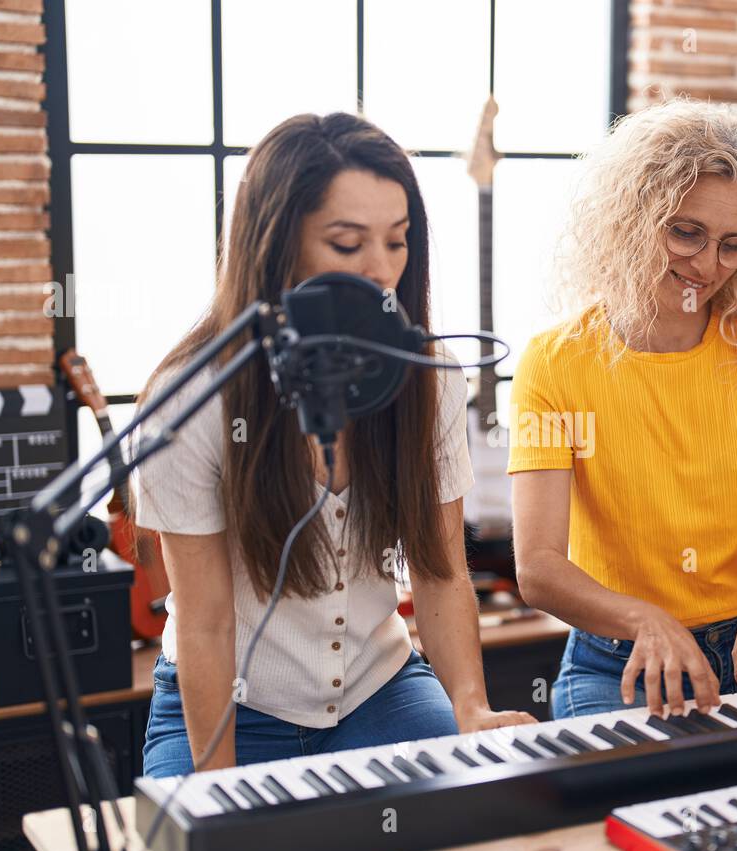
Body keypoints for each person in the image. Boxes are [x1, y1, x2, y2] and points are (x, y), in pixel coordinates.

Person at [137, 113, 533, 779]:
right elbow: (204, 625)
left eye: (399, 241)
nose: (381, 270)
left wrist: (471, 707)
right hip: (228, 709)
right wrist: (219, 787)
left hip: (384, 694)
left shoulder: (428, 381)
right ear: (275, 248)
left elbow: (440, 572)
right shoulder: (188, 397)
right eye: (347, 244)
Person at [509, 99, 737, 720]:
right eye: (685, 232)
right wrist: (645, 620)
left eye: (732, 245)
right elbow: (540, 567)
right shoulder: (555, 362)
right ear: (631, 219)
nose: (708, 266)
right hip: (622, 658)